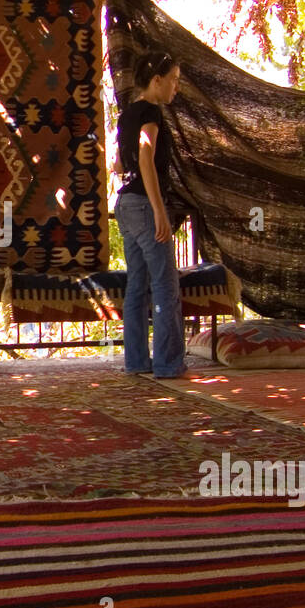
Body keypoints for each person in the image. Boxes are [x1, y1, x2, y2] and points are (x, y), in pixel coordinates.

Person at [113, 52, 187, 378]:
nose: (176, 87)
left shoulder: (127, 114)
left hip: (124, 205)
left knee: (136, 286)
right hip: (143, 205)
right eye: (173, 79)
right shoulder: (151, 113)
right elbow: (145, 158)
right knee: (164, 286)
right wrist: (159, 210)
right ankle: (169, 364)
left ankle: (137, 361)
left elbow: (118, 164)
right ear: (156, 80)